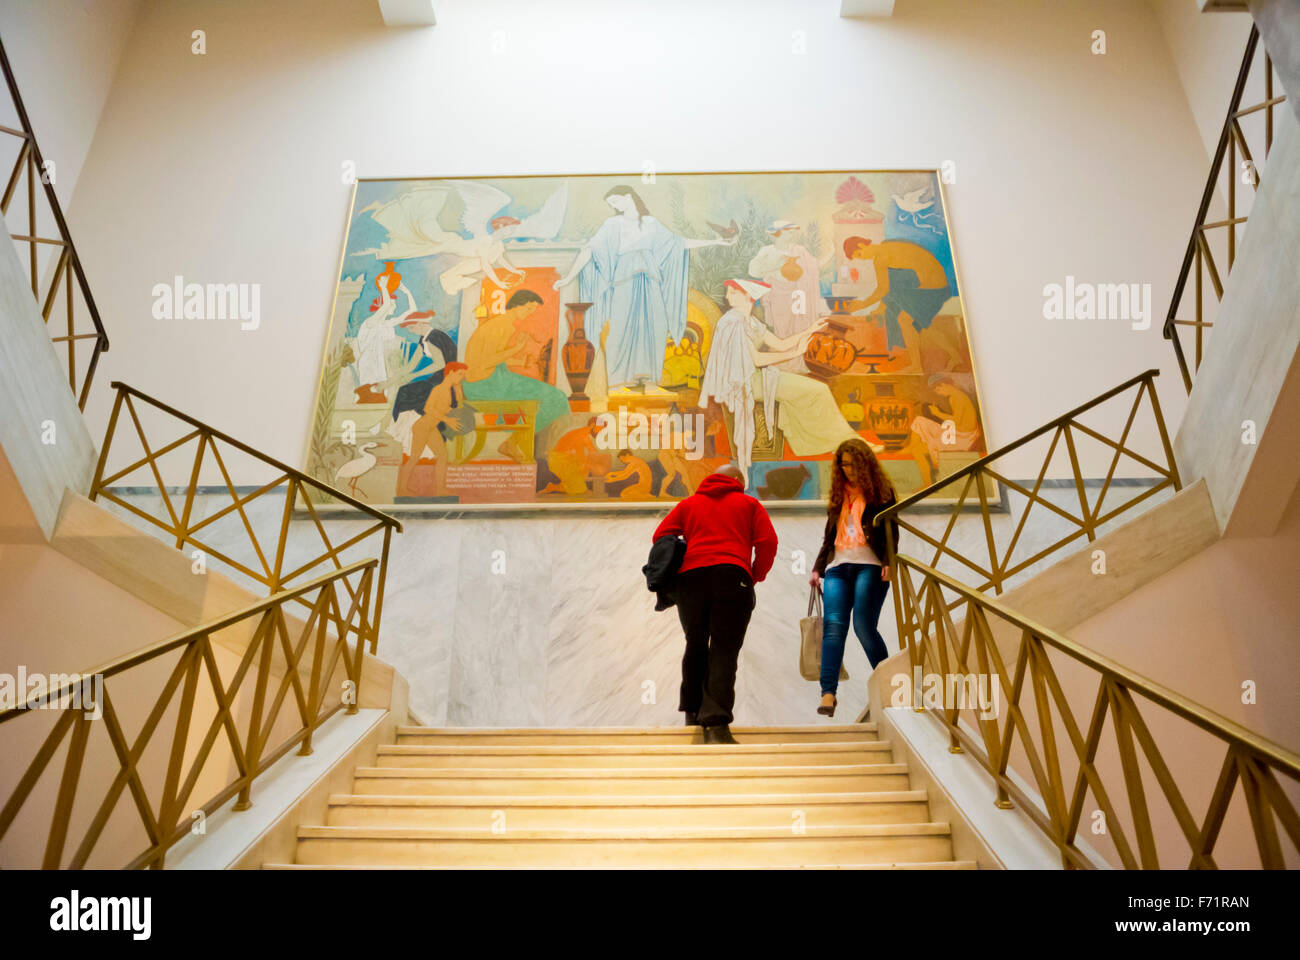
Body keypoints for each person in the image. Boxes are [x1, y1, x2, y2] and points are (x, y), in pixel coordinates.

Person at [553, 185, 734, 393]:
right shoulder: (612, 225)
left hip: (650, 282)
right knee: (620, 328)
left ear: (629, 196)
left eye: (615, 201)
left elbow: (679, 244)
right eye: (611, 204)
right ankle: (618, 383)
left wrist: (715, 241)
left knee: (654, 330)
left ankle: (650, 382)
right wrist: (568, 278)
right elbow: (589, 250)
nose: (614, 207)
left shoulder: (651, 224)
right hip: (624, 281)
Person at [652, 463, 778, 743]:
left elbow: (660, 536)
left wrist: (684, 552)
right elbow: (768, 542)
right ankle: (717, 725)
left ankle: (692, 714)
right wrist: (755, 573)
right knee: (723, 648)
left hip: (690, 581)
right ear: (736, 481)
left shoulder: (689, 504)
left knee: (695, 644)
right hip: (732, 577)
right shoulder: (748, 504)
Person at [698, 278, 861, 483]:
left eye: (733, 291)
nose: (727, 295)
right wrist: (797, 352)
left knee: (815, 390)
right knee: (818, 391)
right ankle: (840, 440)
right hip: (743, 384)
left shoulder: (751, 323)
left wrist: (809, 330)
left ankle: (826, 440)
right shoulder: (733, 323)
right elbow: (757, 359)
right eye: (729, 291)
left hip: (754, 378)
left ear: (748, 296)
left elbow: (780, 344)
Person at [809, 437, 899, 718]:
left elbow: (890, 531)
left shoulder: (881, 493)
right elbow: (829, 535)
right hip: (838, 566)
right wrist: (817, 568)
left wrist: (888, 561)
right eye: (842, 464)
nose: (847, 470)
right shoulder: (838, 495)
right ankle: (828, 693)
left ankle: (891, 686)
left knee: (863, 626)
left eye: (851, 464)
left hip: (869, 566)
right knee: (834, 628)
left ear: (863, 463)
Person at [462, 289, 570, 459]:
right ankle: (514, 443)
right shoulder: (502, 326)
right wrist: (516, 349)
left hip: (491, 379)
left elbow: (493, 359)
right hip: (483, 385)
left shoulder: (503, 324)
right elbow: (485, 362)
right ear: (516, 305)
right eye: (528, 308)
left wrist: (519, 361)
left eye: (533, 309)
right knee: (557, 399)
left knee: (552, 398)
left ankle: (513, 443)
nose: (531, 313)